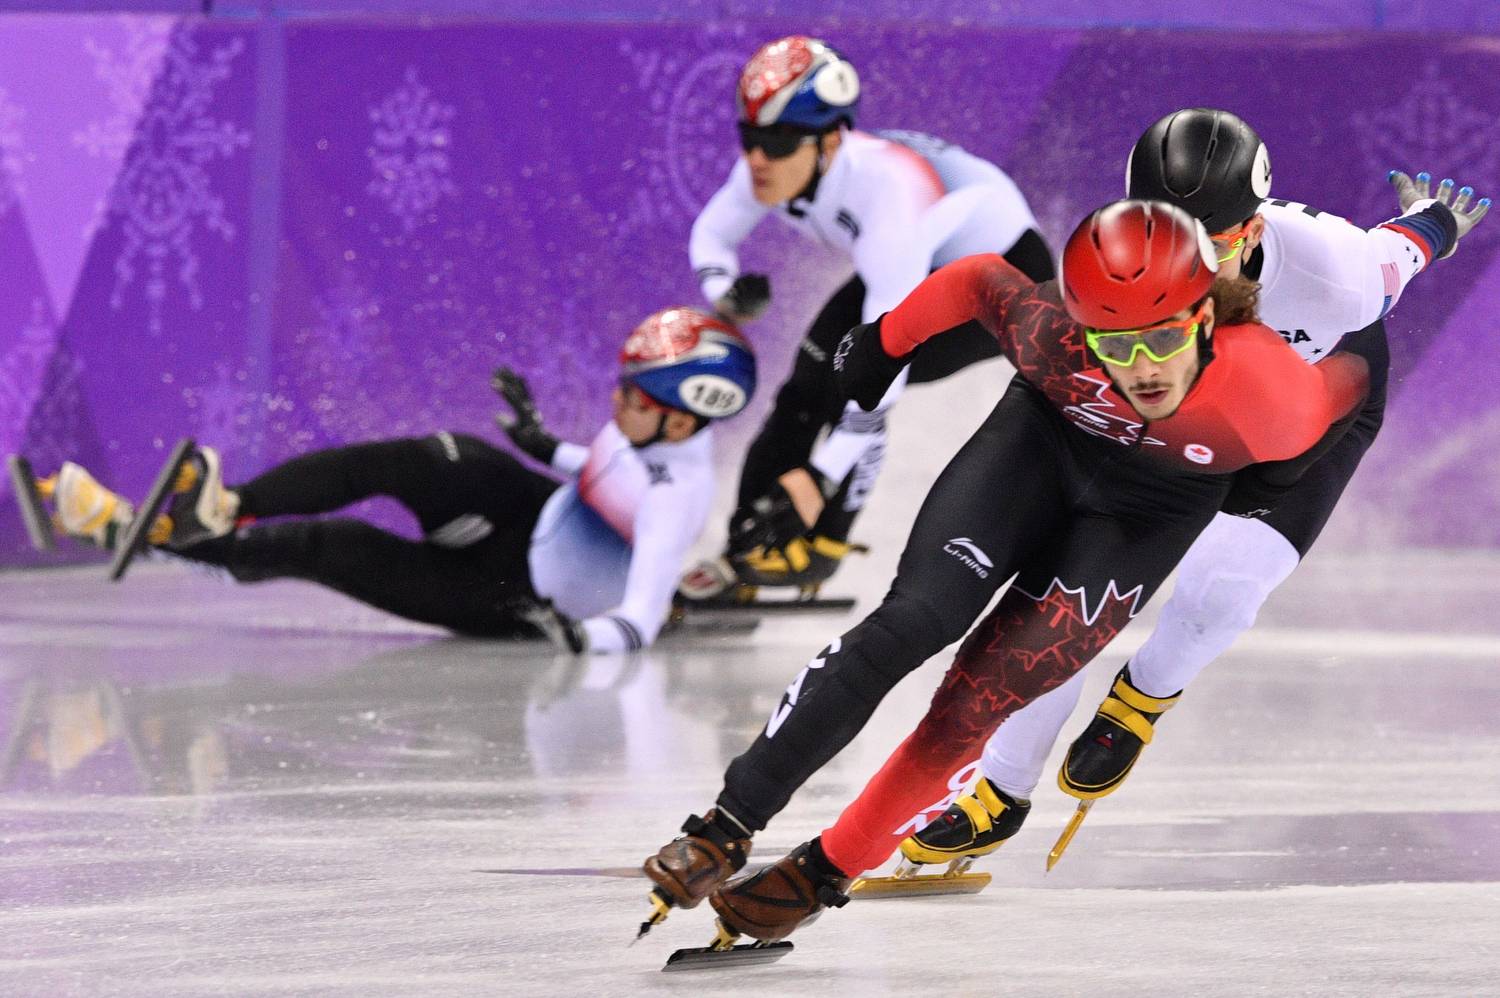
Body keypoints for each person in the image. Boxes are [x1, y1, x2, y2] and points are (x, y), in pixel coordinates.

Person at [641, 188, 1478, 948]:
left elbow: (1360, 358)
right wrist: (884, 341)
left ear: (1206, 316)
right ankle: (724, 822)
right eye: (1117, 342)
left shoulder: (1277, 399)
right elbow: (974, 280)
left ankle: (828, 870)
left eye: (1162, 337)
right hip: (1038, 449)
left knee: (977, 699)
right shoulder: (1051, 332)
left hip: (1142, 517)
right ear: (1083, 325)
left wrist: (1428, 228)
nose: (1142, 366)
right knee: (912, 623)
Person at [900, 110, 1493, 874]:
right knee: (1070, 599)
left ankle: (1145, 697)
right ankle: (999, 790)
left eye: (1208, 247)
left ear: (1249, 231)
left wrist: (1432, 222)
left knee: (1225, 590)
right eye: (1163, 238)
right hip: (1174, 401)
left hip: (1310, 404)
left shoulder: (1337, 275)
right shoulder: (1115, 259)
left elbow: (1400, 253)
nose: (1183, 272)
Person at [21, 308, 756, 654]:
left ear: (686, 422)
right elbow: (601, 475)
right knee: (420, 459)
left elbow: (640, 620)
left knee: (327, 545)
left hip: (513, 596)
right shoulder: (642, 432)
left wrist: (576, 635)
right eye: (623, 383)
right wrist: (543, 446)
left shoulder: (674, 502)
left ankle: (143, 535)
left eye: (634, 395)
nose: (615, 400)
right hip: (532, 513)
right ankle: (223, 507)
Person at [680, 35, 1054, 600]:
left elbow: (885, 372)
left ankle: (822, 546)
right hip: (927, 264)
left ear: (831, 141)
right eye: (750, 138)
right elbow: (712, 234)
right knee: (803, 389)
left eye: (778, 142)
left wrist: (822, 473)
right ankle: (747, 548)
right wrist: (726, 293)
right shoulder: (772, 167)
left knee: (850, 382)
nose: (758, 158)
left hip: (1001, 281)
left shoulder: (888, 199)